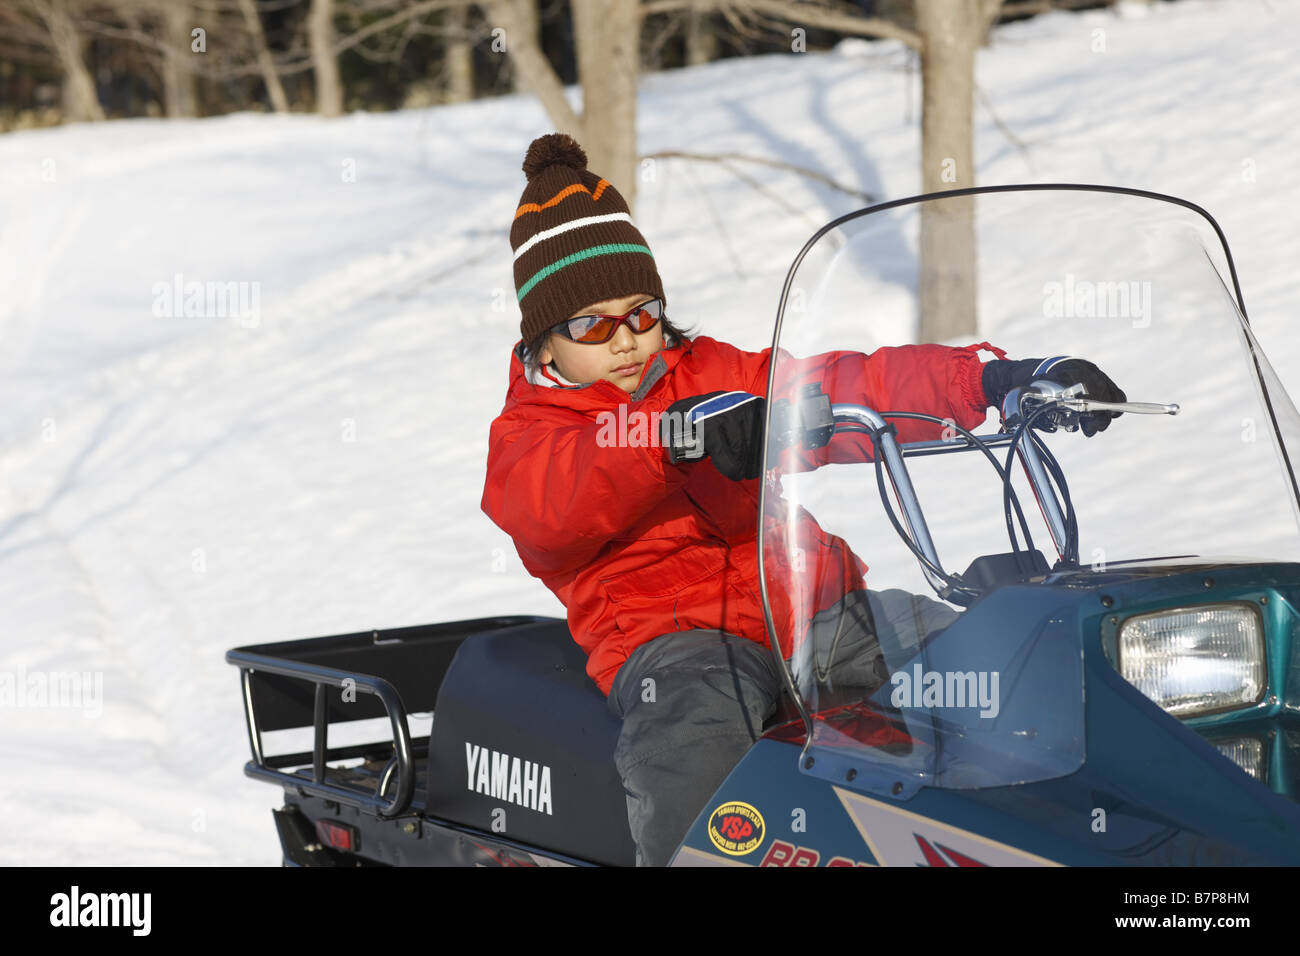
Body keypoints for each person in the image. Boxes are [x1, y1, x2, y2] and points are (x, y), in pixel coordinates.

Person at [480, 133, 1125, 866]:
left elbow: (846, 387)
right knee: (692, 746)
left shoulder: (712, 371)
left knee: (998, 662)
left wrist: (990, 382)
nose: (625, 339)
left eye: (641, 312)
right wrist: (672, 438)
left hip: (819, 608)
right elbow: (554, 500)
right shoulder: (532, 434)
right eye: (589, 324)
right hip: (679, 642)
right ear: (544, 344)